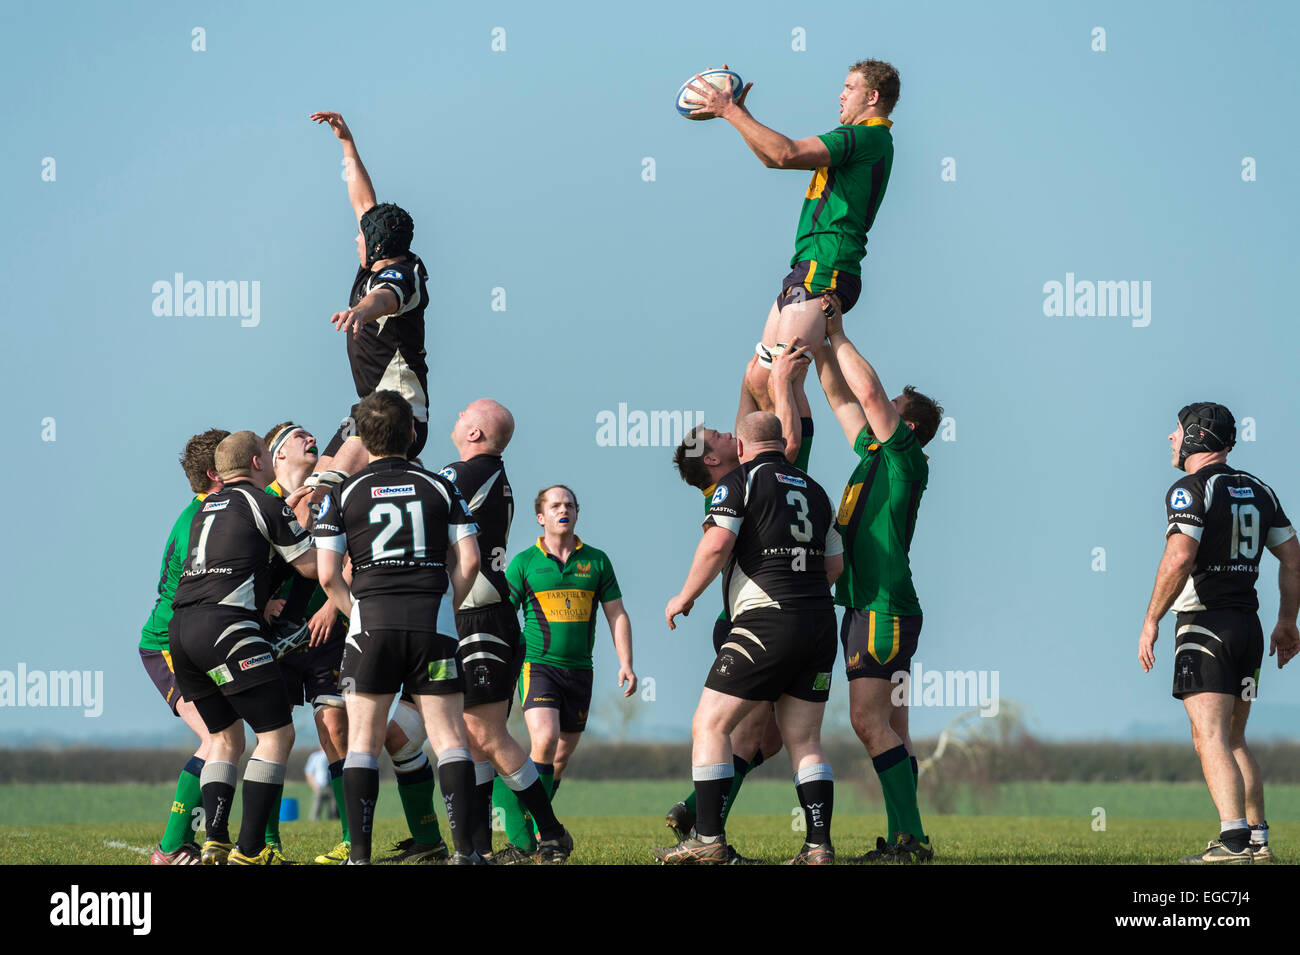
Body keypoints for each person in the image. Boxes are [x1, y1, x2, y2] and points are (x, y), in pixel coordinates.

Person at [659, 412, 842, 864]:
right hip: (819, 623)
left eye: (727, 435)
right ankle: (818, 847)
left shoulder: (739, 482)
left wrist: (684, 595)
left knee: (710, 725)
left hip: (766, 620)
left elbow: (718, 544)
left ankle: (706, 841)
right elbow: (836, 566)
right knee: (805, 739)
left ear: (740, 448)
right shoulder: (815, 489)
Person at [313, 391, 486, 865]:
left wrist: (358, 613)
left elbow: (327, 575)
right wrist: (447, 597)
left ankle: (360, 857)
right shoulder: (441, 486)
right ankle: (466, 852)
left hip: (371, 626)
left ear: (361, 437)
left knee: (364, 744)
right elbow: (469, 559)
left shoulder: (341, 494)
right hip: (433, 623)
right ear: (412, 434)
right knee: (450, 739)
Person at [684, 60, 900, 411]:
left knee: (784, 379)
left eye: (849, 88)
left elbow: (786, 153)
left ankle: (785, 466)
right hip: (807, 267)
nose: (840, 95)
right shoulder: (863, 138)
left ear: (872, 96)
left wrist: (728, 111)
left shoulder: (865, 136)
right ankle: (754, 464)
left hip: (826, 266)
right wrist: (738, 113)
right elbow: (773, 158)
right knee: (757, 379)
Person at [1139, 402, 1300, 864]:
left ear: (1197, 437)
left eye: (1178, 430)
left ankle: (1232, 845)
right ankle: (1258, 841)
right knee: (1233, 738)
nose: (1171, 438)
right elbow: (1293, 558)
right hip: (1248, 628)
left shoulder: (1190, 489)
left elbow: (1180, 557)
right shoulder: (1260, 489)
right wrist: (1287, 621)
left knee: (1208, 736)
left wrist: (1151, 618)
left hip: (1204, 625)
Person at [814, 310, 942, 862]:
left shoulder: (907, 459)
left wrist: (839, 333)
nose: (877, 415)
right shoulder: (874, 455)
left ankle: (910, 839)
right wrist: (817, 348)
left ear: (905, 427)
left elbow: (866, 394)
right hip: (877, 607)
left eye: (889, 413)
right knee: (893, 728)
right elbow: (844, 399)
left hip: (881, 609)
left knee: (868, 722)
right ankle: (904, 837)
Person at [167, 431, 318, 865]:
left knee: (225, 737)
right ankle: (250, 851)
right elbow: (307, 565)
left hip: (184, 630)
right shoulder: (261, 501)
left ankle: (215, 840)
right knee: (277, 734)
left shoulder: (204, 509)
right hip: (226, 626)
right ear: (257, 462)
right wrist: (314, 534)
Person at [497, 485, 635, 855]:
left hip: (580, 671)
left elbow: (616, 613)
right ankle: (538, 833)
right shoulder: (524, 562)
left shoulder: (597, 561)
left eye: (570, 505)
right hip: (537, 666)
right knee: (545, 738)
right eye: (555, 505)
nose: (564, 510)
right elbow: (503, 616)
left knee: (560, 755)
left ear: (577, 513)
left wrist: (626, 663)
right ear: (541, 517)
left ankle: (525, 810)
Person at [309, 111, 431, 483]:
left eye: (362, 238)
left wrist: (360, 311)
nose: (356, 239)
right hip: (368, 409)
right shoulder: (377, 261)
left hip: (399, 415)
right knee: (314, 481)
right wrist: (347, 143)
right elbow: (363, 203)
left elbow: (383, 298)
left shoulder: (403, 275)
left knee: (321, 491)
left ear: (377, 247)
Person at [262, 421, 353, 864]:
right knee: (273, 735)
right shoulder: (262, 505)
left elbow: (353, 556)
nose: (310, 438)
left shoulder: (334, 496)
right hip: (272, 641)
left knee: (335, 728)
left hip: (326, 635)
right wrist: (261, 606)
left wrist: (332, 605)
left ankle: (353, 839)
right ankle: (267, 842)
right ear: (278, 455)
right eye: (298, 436)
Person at [139, 428, 229, 865]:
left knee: (229, 738)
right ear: (215, 473)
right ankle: (171, 848)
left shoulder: (214, 510)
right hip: (166, 644)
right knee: (218, 737)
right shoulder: (201, 517)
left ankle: (190, 842)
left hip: (192, 640)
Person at [305, 749, 336, 820]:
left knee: (334, 810)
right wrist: (313, 785)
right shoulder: (315, 756)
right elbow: (308, 772)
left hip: (332, 786)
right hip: (320, 786)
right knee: (316, 809)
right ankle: (313, 825)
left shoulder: (334, 755)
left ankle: (332, 825)